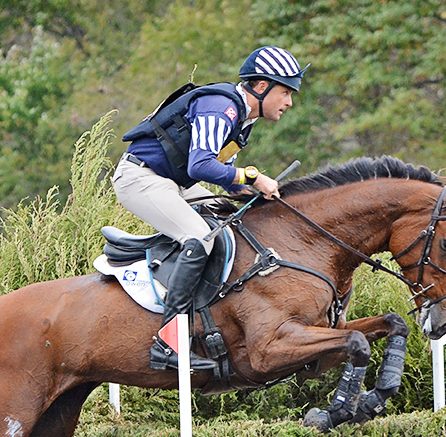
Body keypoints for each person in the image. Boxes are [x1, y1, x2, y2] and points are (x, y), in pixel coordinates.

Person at [113, 46, 306, 371]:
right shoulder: (221, 108)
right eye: (285, 92)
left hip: (175, 182)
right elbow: (201, 165)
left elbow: (223, 175)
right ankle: (168, 342)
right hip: (141, 178)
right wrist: (254, 176)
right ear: (262, 86)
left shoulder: (243, 119)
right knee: (200, 237)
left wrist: (255, 194)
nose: (288, 102)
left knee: (232, 221)